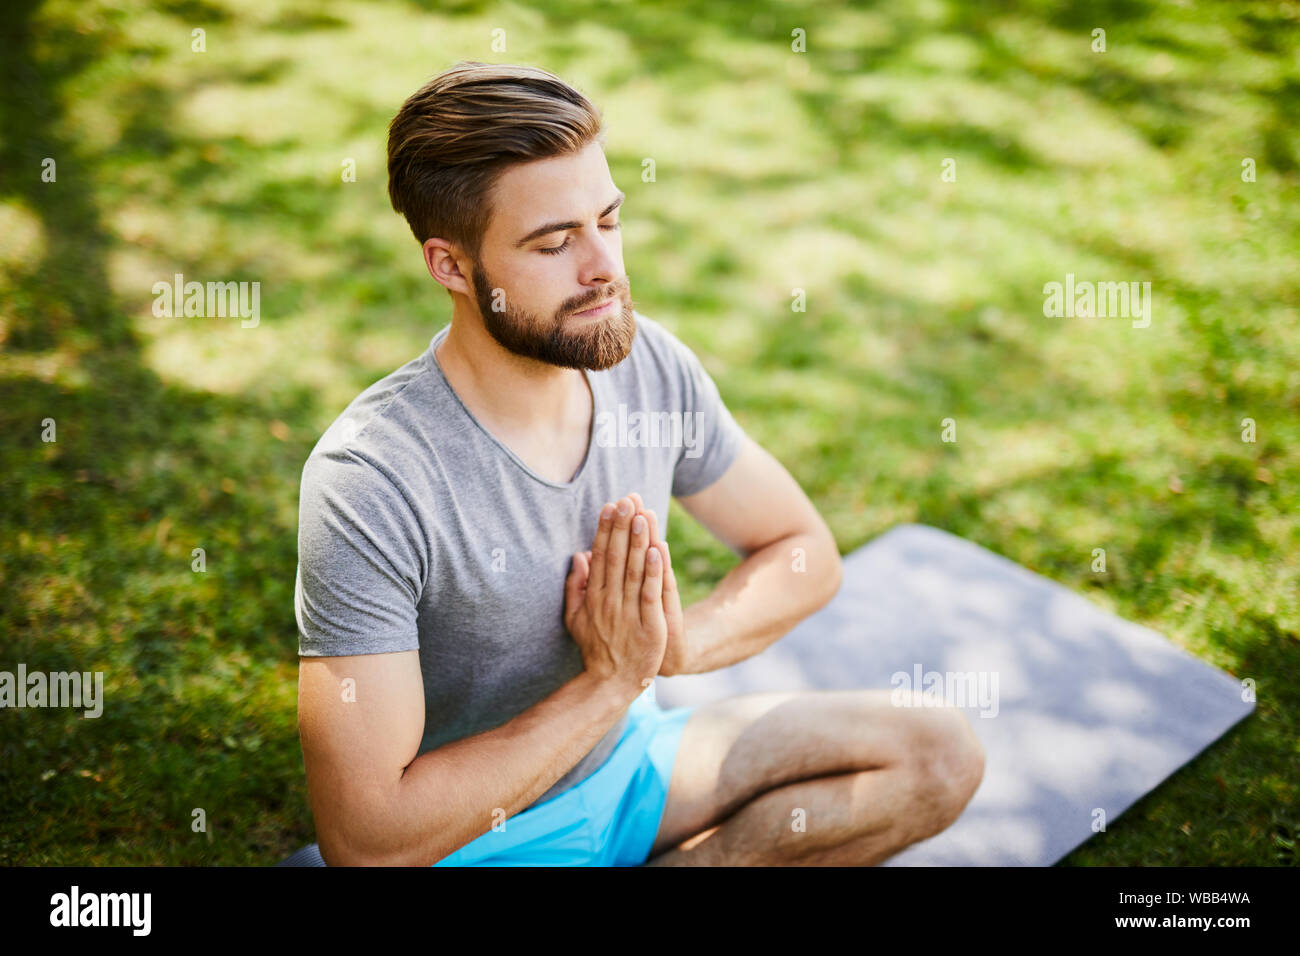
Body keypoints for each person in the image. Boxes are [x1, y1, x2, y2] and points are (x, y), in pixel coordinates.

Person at [294, 61, 984, 866]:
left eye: (608, 221)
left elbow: (802, 551)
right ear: (451, 266)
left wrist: (673, 649)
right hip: (473, 839)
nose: (604, 270)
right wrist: (609, 683)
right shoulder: (370, 480)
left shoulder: (644, 364)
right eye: (554, 242)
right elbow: (367, 842)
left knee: (938, 753)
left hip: (633, 770)